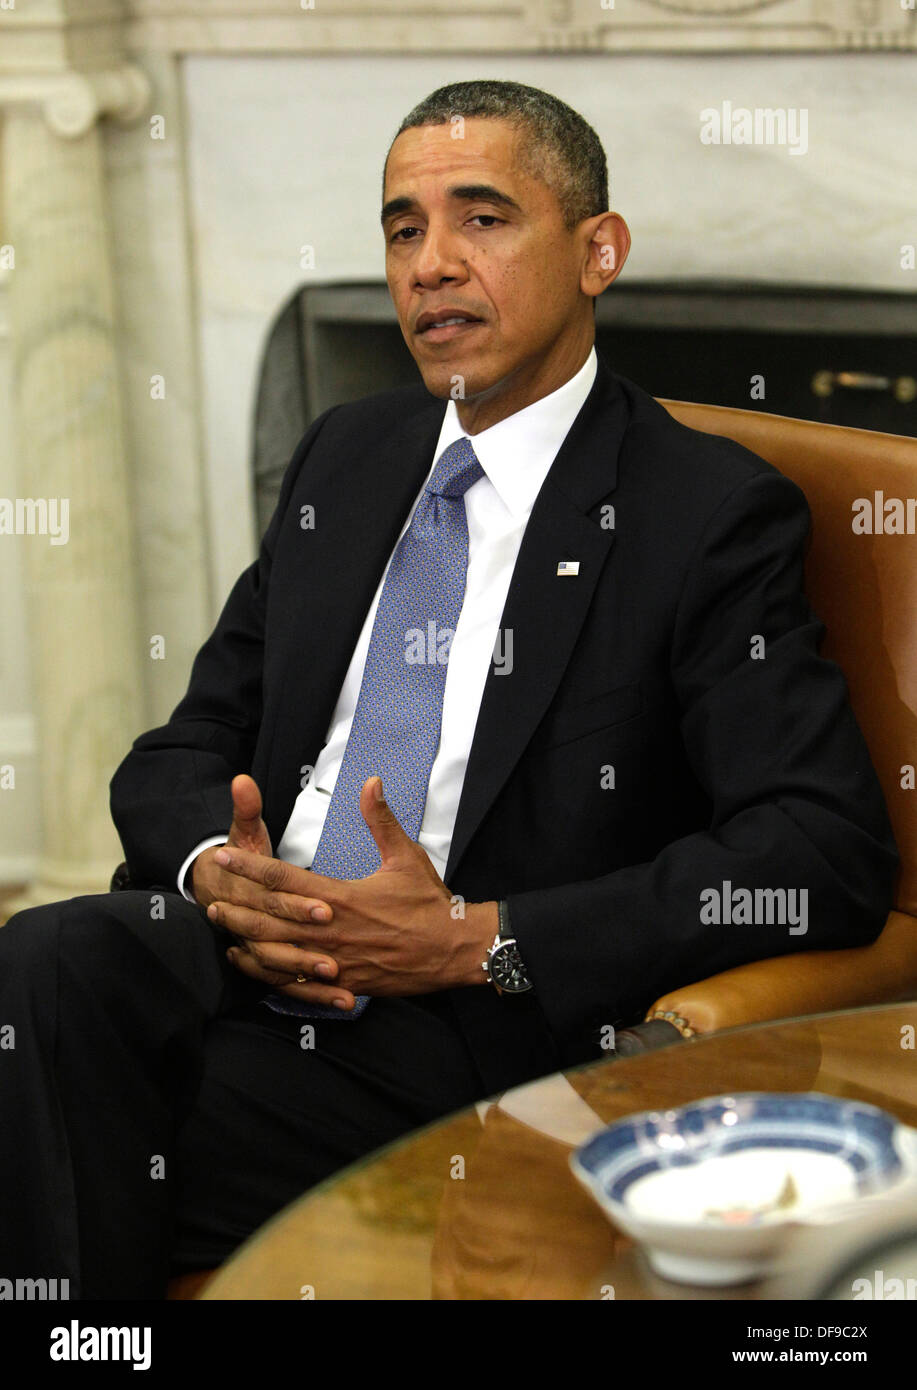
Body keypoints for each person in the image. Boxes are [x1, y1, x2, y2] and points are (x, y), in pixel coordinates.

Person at [0, 80, 897, 1300]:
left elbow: (817, 849)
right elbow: (184, 744)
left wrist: (477, 942)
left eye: (481, 218)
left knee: (65, 1135)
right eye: (402, 229)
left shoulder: (703, 513)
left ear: (598, 251)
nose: (430, 266)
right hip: (248, 952)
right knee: (45, 960)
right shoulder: (349, 455)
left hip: (463, 1022)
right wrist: (225, 870)